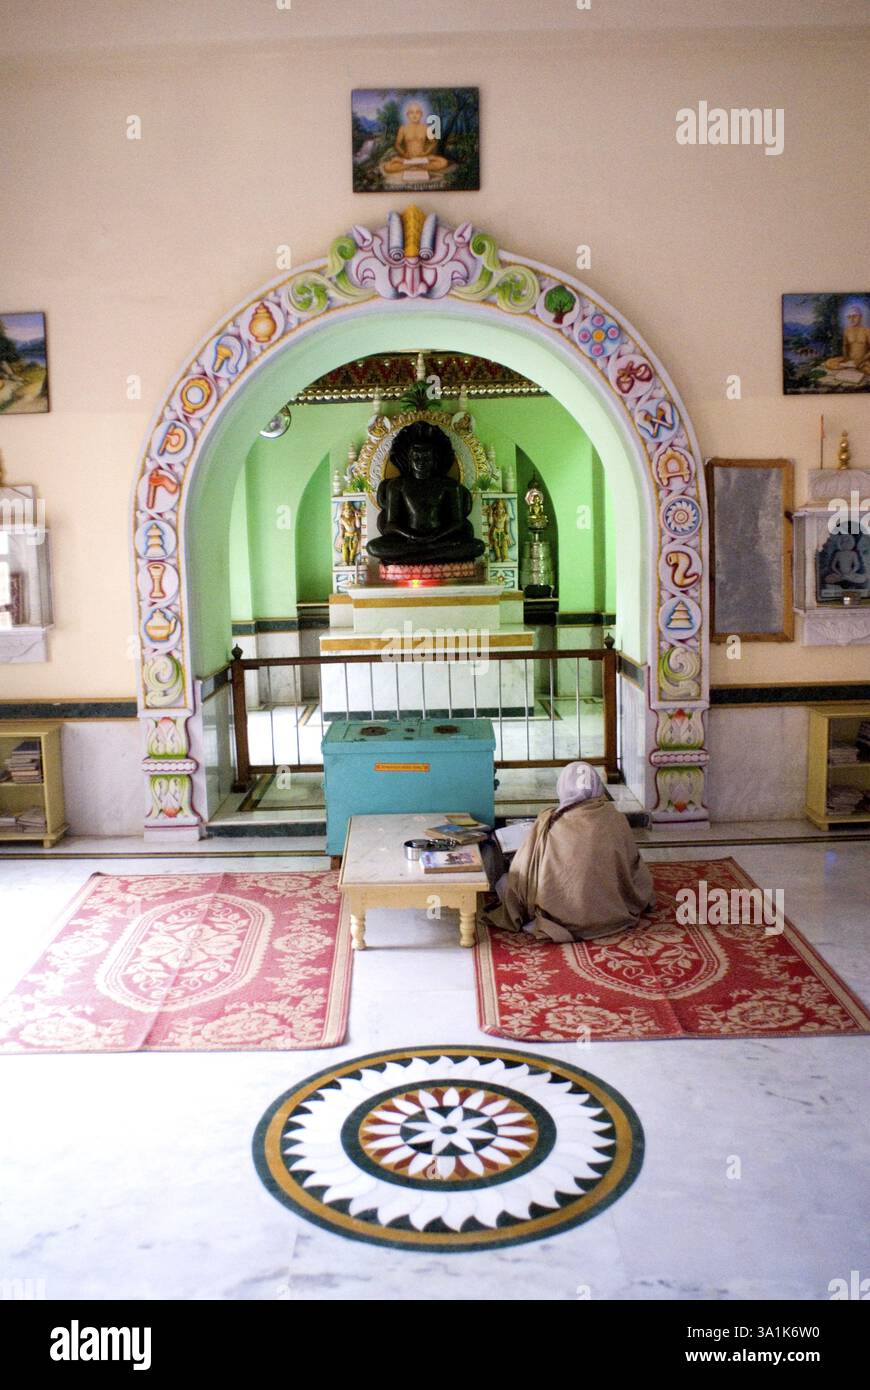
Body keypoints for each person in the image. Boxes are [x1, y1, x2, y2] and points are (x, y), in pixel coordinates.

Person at [486, 761, 655, 942]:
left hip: (559, 917)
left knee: (505, 882)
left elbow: (523, 871)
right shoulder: (616, 818)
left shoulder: (549, 820)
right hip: (612, 913)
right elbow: (633, 865)